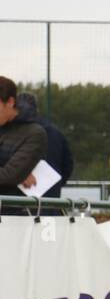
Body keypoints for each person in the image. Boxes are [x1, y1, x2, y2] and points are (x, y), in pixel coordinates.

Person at [0, 76, 47, 215]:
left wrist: (18, 174)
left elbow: (9, 176)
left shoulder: (34, 133)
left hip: (14, 217)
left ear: (10, 102)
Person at [16, 92, 73, 200]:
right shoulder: (56, 133)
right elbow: (68, 166)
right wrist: (54, 184)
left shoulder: (10, 131)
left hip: (16, 204)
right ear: (37, 109)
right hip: (51, 202)